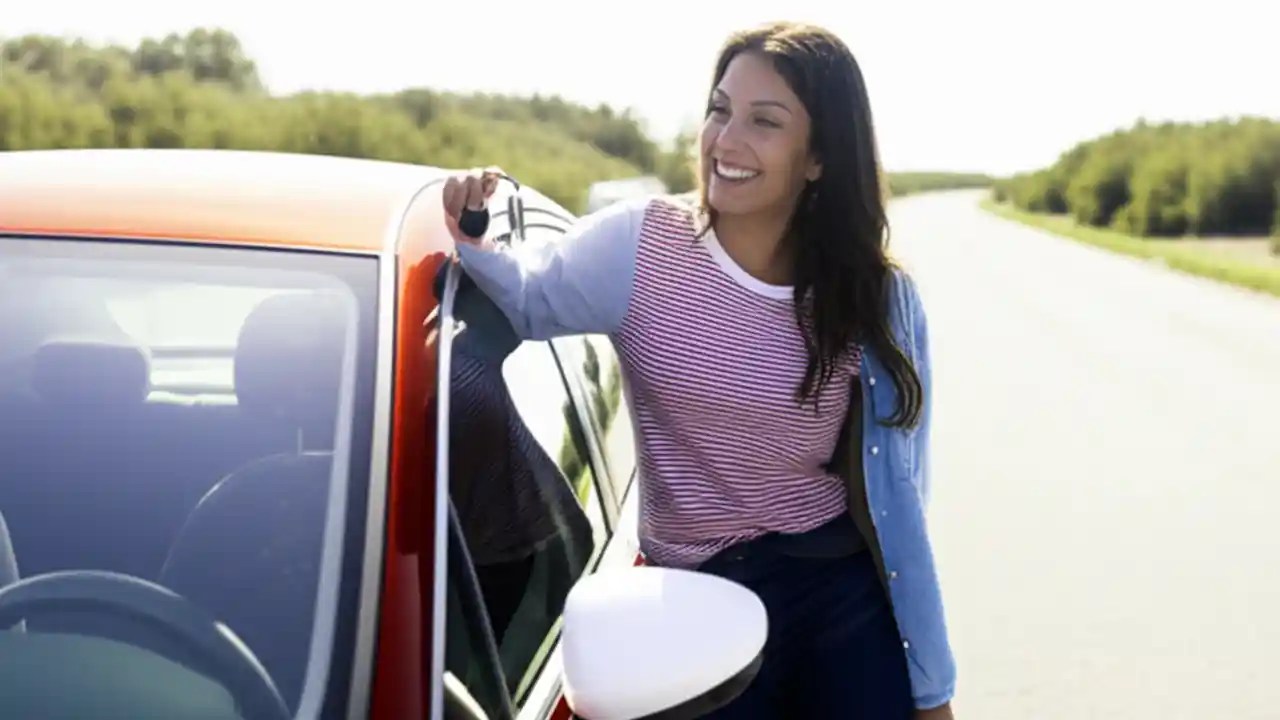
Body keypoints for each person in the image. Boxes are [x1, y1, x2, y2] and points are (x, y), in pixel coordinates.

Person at [441, 20, 956, 720]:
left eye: (763, 122)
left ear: (818, 158)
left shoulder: (876, 297)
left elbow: (902, 507)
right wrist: (471, 224)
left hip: (837, 592)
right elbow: (529, 299)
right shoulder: (639, 246)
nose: (726, 140)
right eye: (719, 110)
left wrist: (931, 691)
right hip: (691, 607)